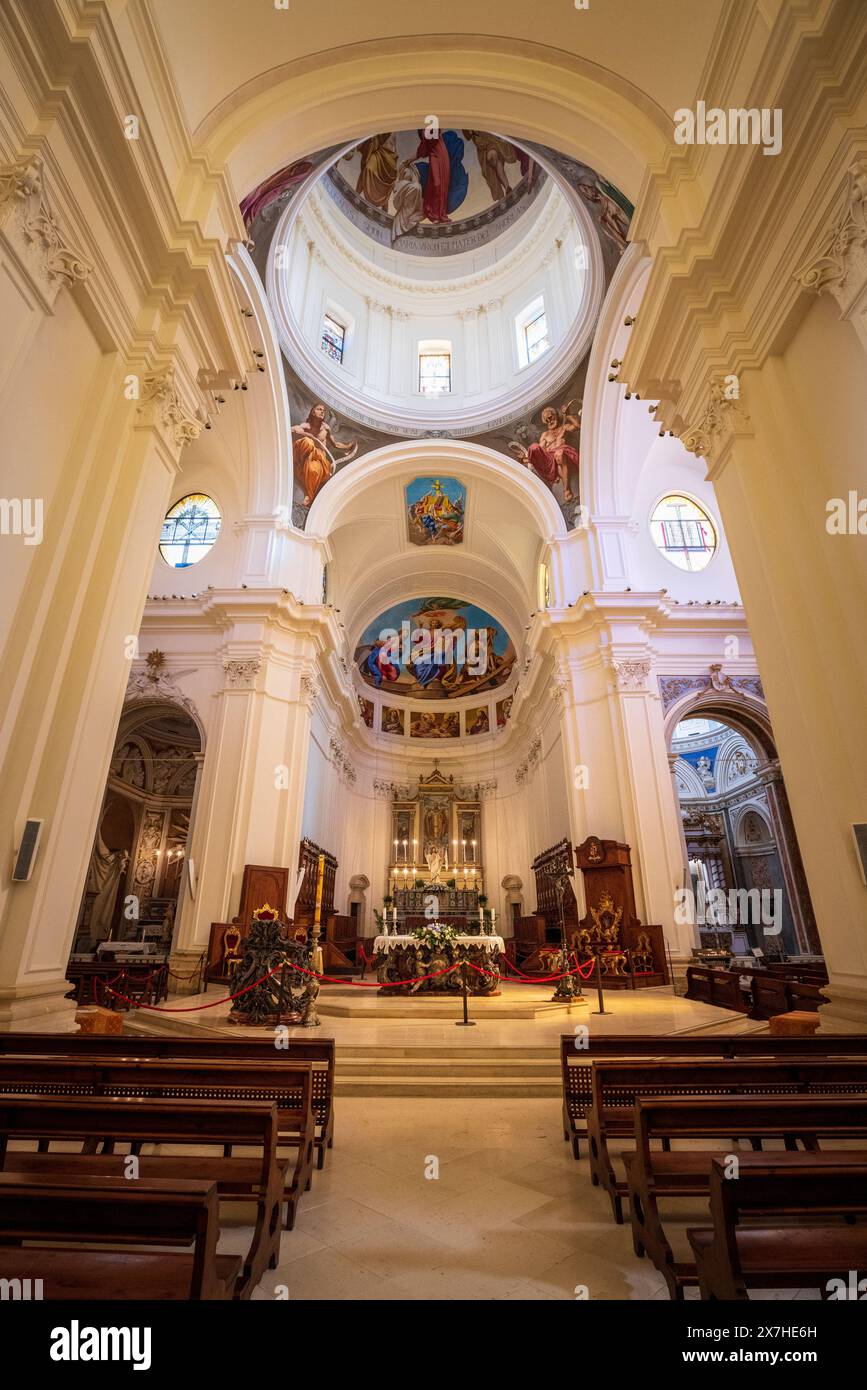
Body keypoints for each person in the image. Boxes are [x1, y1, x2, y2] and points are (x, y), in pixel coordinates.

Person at [292, 403, 356, 506]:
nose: (322, 411)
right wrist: (300, 431)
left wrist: (348, 447)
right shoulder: (306, 426)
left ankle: (309, 496)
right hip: (306, 455)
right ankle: (302, 462)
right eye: (319, 409)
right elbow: (294, 429)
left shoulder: (326, 429)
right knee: (307, 442)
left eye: (324, 410)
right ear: (313, 412)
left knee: (314, 469)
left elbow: (335, 444)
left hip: (319, 458)